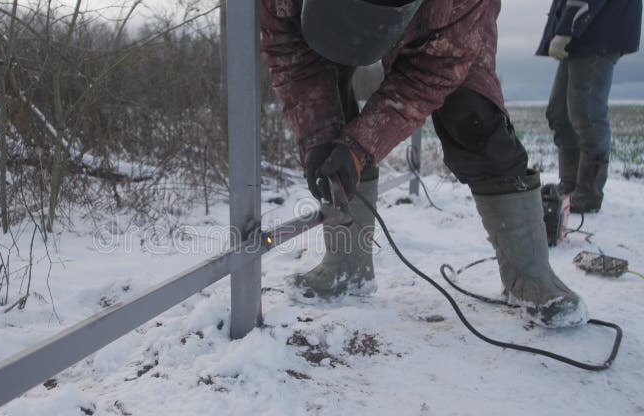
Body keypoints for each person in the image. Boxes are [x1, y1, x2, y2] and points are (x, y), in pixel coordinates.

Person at [260, 0, 588, 327]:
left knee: (473, 115)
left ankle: (530, 276)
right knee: (331, 128)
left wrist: (359, 148)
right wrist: (319, 137)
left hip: (447, 31)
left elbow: (429, 76)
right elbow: (290, 55)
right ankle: (346, 266)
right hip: (318, 30)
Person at [538, 0, 642, 213]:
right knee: (559, 114)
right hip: (582, 35)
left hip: (599, 30)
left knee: (587, 114)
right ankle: (569, 186)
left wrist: (567, 28)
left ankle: (588, 194)